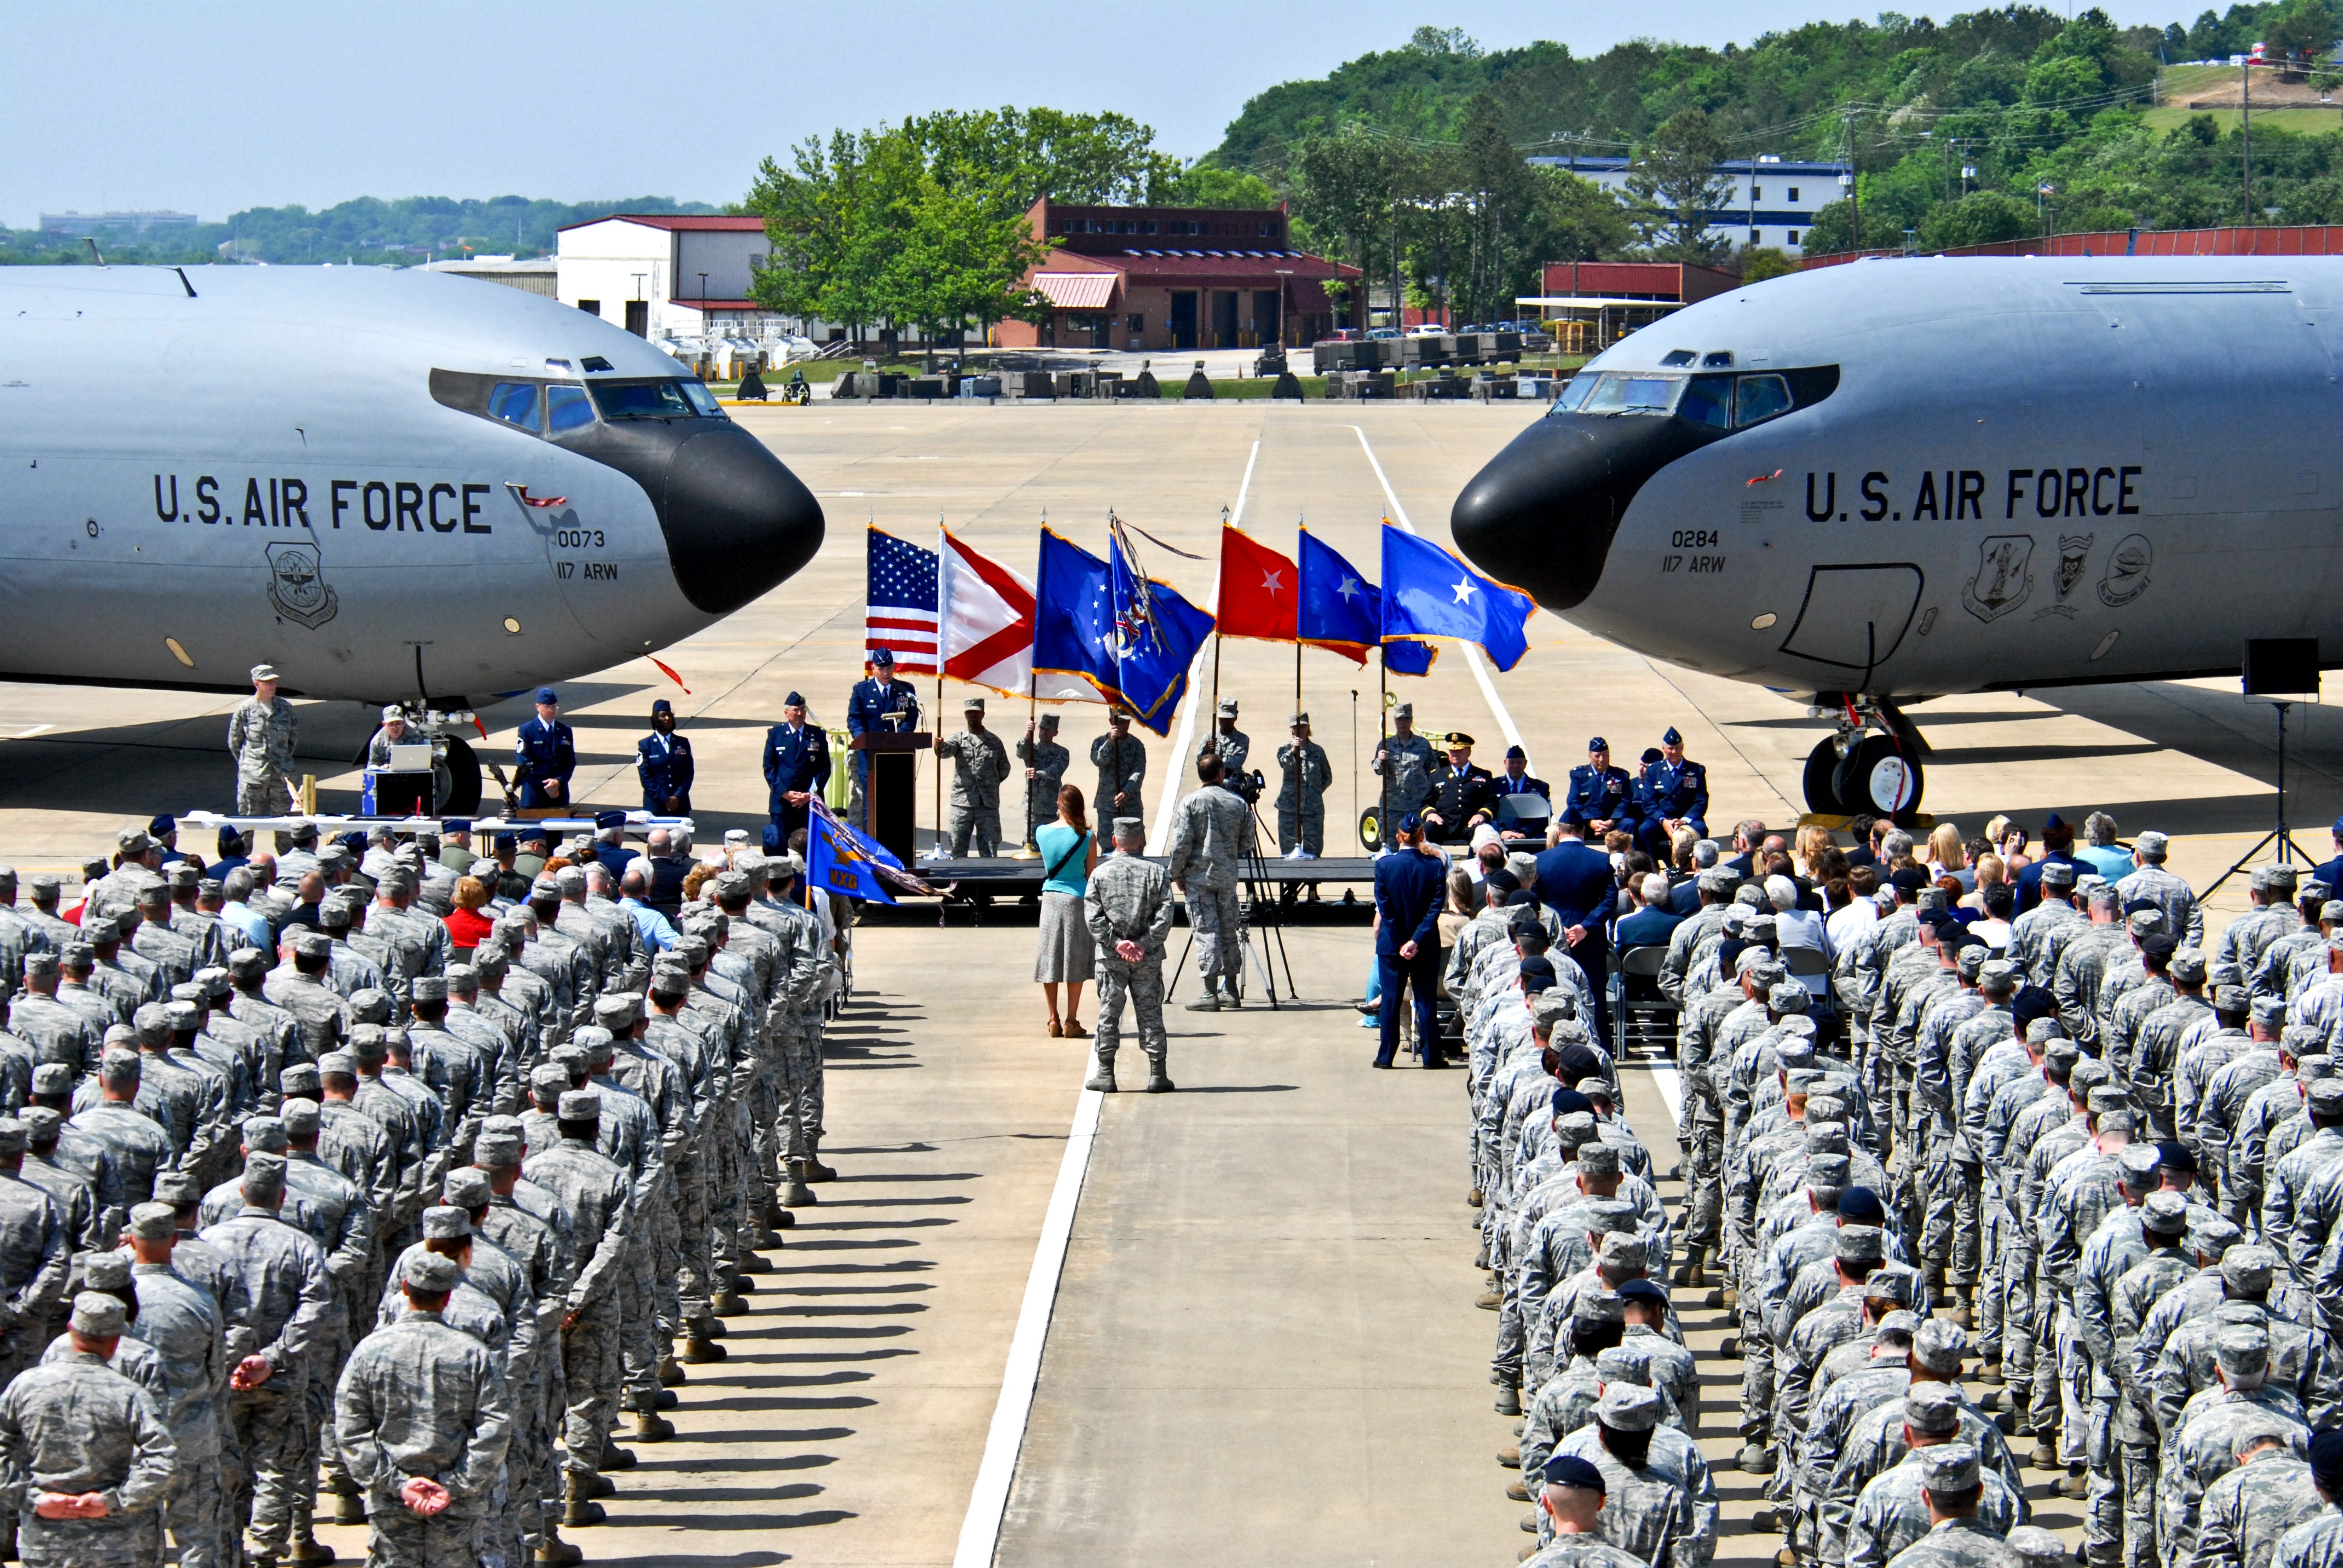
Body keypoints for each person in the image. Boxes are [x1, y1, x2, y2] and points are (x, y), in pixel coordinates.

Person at [334, 1250, 511, 1568]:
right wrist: (455, 1483)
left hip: (392, 1502)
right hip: (457, 1504)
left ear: (404, 1288)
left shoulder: (369, 1352)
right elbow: (494, 1425)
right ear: (448, 1298)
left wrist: (396, 1483)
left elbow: (350, 1427)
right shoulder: (474, 1354)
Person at [0, 1291, 177, 1568]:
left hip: (44, 1541)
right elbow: (163, 1461)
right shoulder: (129, 1394)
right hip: (112, 1544)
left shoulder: (25, 1386)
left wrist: (30, 1498)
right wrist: (115, 1500)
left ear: (70, 1329)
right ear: (117, 1341)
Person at [1083, 819, 1174, 1094]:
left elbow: (1092, 916)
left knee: (1109, 1014)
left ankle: (1106, 1074)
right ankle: (1158, 1074)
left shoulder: (1100, 874)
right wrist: (1144, 944)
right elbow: (1165, 916)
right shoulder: (1157, 874)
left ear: (1114, 841)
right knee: (1151, 1013)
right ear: (1141, 839)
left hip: (1111, 960)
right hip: (1147, 959)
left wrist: (1116, 943)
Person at [1164, 753, 1253, 1012]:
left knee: (1206, 932)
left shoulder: (1190, 803)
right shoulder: (1238, 803)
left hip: (1199, 878)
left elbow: (1181, 844)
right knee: (1228, 931)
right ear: (1221, 774)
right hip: (1226, 877)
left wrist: (1177, 873)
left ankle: (1210, 991)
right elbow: (1247, 842)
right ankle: (1232, 988)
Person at [1373, 812, 1446, 1070]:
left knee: (1391, 1001)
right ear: (1422, 837)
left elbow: (1386, 910)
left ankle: (1385, 1057)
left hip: (1392, 945)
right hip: (1424, 945)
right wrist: (1415, 940)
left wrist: (1402, 941)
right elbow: (1435, 909)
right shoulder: (1435, 866)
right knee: (1426, 999)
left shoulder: (1384, 866)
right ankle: (1431, 1057)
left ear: (1398, 838)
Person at [1539, 814, 1617, 1043]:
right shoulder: (1600, 860)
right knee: (1594, 997)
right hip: (1589, 940)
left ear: (1559, 832)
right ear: (1583, 832)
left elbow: (1535, 900)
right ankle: (1601, 1047)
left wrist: (1557, 927)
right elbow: (1609, 901)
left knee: (1552, 994)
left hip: (1553, 941)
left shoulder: (1541, 860)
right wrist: (1585, 926)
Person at [1034, 786, 1099, 1038]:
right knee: (1075, 959)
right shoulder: (1087, 836)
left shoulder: (1042, 832)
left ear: (1059, 804)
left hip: (1051, 898)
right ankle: (1072, 1020)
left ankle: (1053, 1018)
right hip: (1077, 899)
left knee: (1050, 958)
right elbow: (1090, 874)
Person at [845, 647, 922, 826]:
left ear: (894, 667)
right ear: (873, 668)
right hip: (870, 756)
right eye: (881, 669)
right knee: (871, 806)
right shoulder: (862, 691)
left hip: (897, 756)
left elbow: (911, 717)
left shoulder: (905, 690)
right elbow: (854, 719)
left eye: (889, 668)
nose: (886, 673)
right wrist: (862, 738)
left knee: (896, 805)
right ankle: (872, 847)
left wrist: (898, 739)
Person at [937, 698, 1011, 858]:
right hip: (963, 803)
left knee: (990, 850)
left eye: (976, 712)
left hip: (988, 804)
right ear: (965, 715)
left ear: (983, 714)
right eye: (969, 712)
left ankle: (989, 882)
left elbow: (1004, 768)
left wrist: (989, 784)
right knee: (957, 848)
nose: (972, 716)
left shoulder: (994, 741)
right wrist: (940, 746)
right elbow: (946, 752)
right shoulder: (958, 739)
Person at [228, 663, 299, 818]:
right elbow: (235, 742)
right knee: (246, 822)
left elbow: (292, 739)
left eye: (273, 682)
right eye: (267, 682)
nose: (272, 686)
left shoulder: (285, 708)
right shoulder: (245, 710)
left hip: (281, 775)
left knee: (285, 824)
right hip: (253, 777)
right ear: (257, 684)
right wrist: (249, 764)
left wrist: (280, 758)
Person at [761, 692, 831, 844]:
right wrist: (785, 793)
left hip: (809, 803)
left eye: (803, 710)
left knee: (810, 846)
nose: (800, 714)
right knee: (780, 846)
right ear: (786, 713)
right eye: (795, 710)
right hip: (783, 804)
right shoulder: (776, 735)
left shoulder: (817, 735)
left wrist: (810, 794)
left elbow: (824, 768)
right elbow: (769, 768)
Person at [1633, 727, 1708, 862]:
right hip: (1662, 819)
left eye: (1678, 748)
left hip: (1686, 819)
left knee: (1700, 829)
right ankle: (1653, 867)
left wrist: (1684, 820)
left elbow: (1701, 801)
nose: (1674, 752)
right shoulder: (1654, 770)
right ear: (1663, 749)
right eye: (1670, 749)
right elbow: (1649, 802)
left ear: (1683, 748)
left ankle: (1698, 865)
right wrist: (1663, 820)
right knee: (1645, 830)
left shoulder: (1696, 770)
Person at [1372, 704, 1435, 848]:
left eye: (1406, 719)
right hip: (1392, 804)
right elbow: (1377, 770)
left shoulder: (1422, 745)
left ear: (1411, 720)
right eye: (1400, 719)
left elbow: (1433, 769)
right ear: (1394, 720)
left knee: (1420, 845)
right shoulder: (1386, 745)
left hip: (1416, 804)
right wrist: (1380, 760)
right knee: (1390, 845)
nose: (1403, 723)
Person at [1276, 713, 1334, 861]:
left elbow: (1327, 777)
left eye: (1303, 726)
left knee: (1313, 852)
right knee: (1288, 854)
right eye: (1296, 727)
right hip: (1290, 807)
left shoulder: (1317, 751)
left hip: (1312, 809)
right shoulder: (1284, 749)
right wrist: (1294, 751)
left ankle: (1311, 882)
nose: (1300, 730)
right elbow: (1285, 764)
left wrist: (1313, 792)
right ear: (1291, 729)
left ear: (1308, 728)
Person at [1424, 734, 1494, 844]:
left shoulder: (1483, 775)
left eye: (1459, 751)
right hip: (1444, 824)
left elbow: (1491, 802)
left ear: (1469, 752)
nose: (1455, 754)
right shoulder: (1437, 776)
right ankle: (1433, 861)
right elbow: (1425, 803)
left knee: (1482, 831)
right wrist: (1431, 814)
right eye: (1452, 751)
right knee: (1429, 827)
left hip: (1471, 823)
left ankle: (1475, 861)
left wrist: (1482, 815)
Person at [1016, 713, 1072, 853]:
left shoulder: (1062, 752)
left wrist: (1039, 775)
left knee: (1053, 848)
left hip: (1052, 808)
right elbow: (1020, 752)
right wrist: (1028, 734)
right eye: (1042, 728)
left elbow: (1056, 770)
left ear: (1055, 733)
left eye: (1048, 729)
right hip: (1033, 808)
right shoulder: (1032, 749)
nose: (1044, 732)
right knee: (1031, 847)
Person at [513, 689, 575, 810]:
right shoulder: (527, 730)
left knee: (556, 828)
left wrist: (558, 782)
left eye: (554, 707)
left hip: (558, 796)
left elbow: (570, 761)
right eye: (547, 707)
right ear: (538, 707)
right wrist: (548, 786)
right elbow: (524, 763)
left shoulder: (565, 731)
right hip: (535, 796)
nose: (551, 711)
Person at [1090, 710, 1148, 832]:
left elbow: (1139, 771)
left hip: (1131, 805)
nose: (1123, 726)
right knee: (1108, 845)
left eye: (1126, 722)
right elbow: (1098, 761)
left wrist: (1127, 792)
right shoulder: (1100, 742)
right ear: (1112, 722)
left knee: (1134, 843)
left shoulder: (1136, 745)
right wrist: (1110, 742)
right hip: (1108, 804)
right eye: (1120, 722)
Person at [1565, 738, 1634, 840]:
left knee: (1629, 823)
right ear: (1590, 756)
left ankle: (1627, 856)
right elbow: (1573, 802)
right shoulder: (1579, 775)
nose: (1602, 759)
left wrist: (1612, 821)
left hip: (1612, 822)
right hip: (1587, 823)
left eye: (1605, 755)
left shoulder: (1620, 776)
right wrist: (1590, 821)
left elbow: (1625, 801)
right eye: (1597, 756)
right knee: (1568, 825)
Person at [635, 699, 693, 814]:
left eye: (670, 715)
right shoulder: (645, 745)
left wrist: (677, 797)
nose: (668, 719)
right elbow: (646, 778)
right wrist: (666, 799)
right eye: (663, 716)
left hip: (680, 805)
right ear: (656, 718)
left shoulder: (683, 743)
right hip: (656, 806)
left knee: (679, 833)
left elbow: (688, 774)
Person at [1493, 745, 1555, 843]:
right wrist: (1502, 831)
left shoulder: (1540, 787)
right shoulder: (1494, 785)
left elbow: (1545, 815)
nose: (1515, 766)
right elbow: (1490, 813)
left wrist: (1525, 832)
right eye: (1512, 762)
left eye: (1519, 762)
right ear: (1505, 763)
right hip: (1501, 835)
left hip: (1531, 835)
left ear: (1525, 763)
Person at [1206, 700, 1256, 803]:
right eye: (1222, 718)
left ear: (1235, 717)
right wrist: (1205, 752)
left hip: (1233, 788)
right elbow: (1200, 764)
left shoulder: (1242, 739)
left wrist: (1215, 764)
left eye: (1228, 719)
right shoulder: (1209, 738)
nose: (1225, 722)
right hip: (1212, 787)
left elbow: (1237, 760)